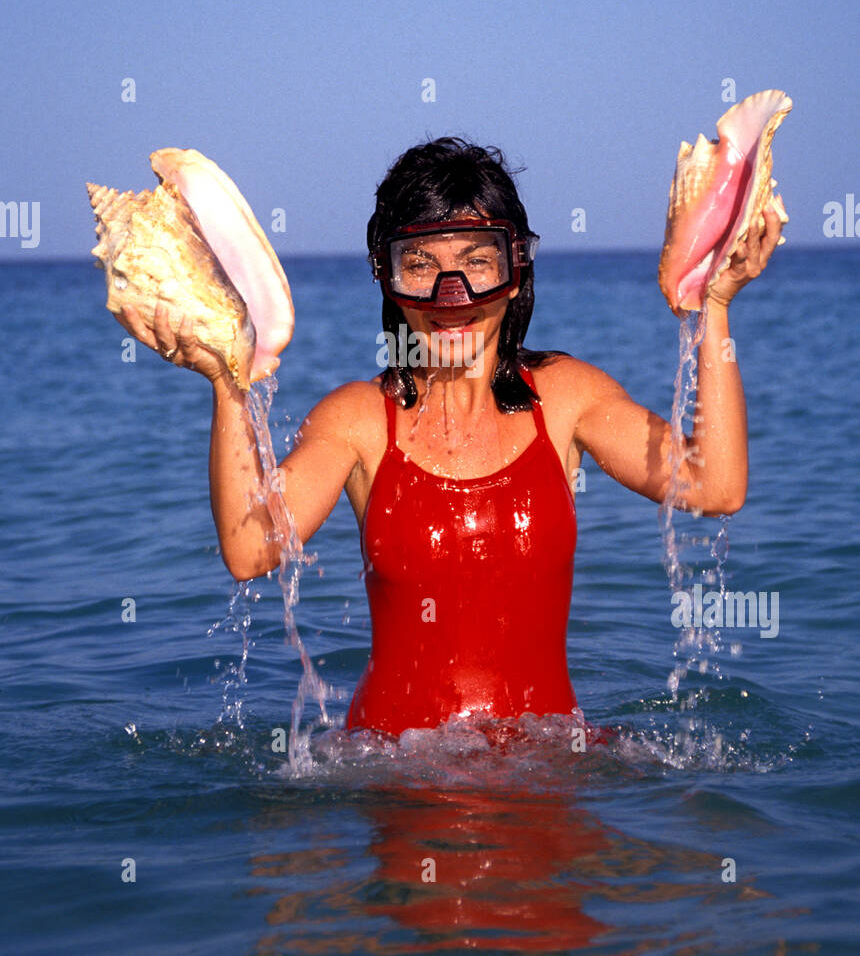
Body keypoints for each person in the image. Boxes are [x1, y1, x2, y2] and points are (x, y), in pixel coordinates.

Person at [115, 137, 785, 737]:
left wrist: (714, 306)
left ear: (515, 266)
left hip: (549, 774)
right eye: (421, 264)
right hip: (396, 778)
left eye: (476, 260)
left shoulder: (567, 399)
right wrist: (227, 379)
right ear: (386, 274)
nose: (452, 292)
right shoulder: (356, 421)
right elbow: (249, 547)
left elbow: (715, 487)